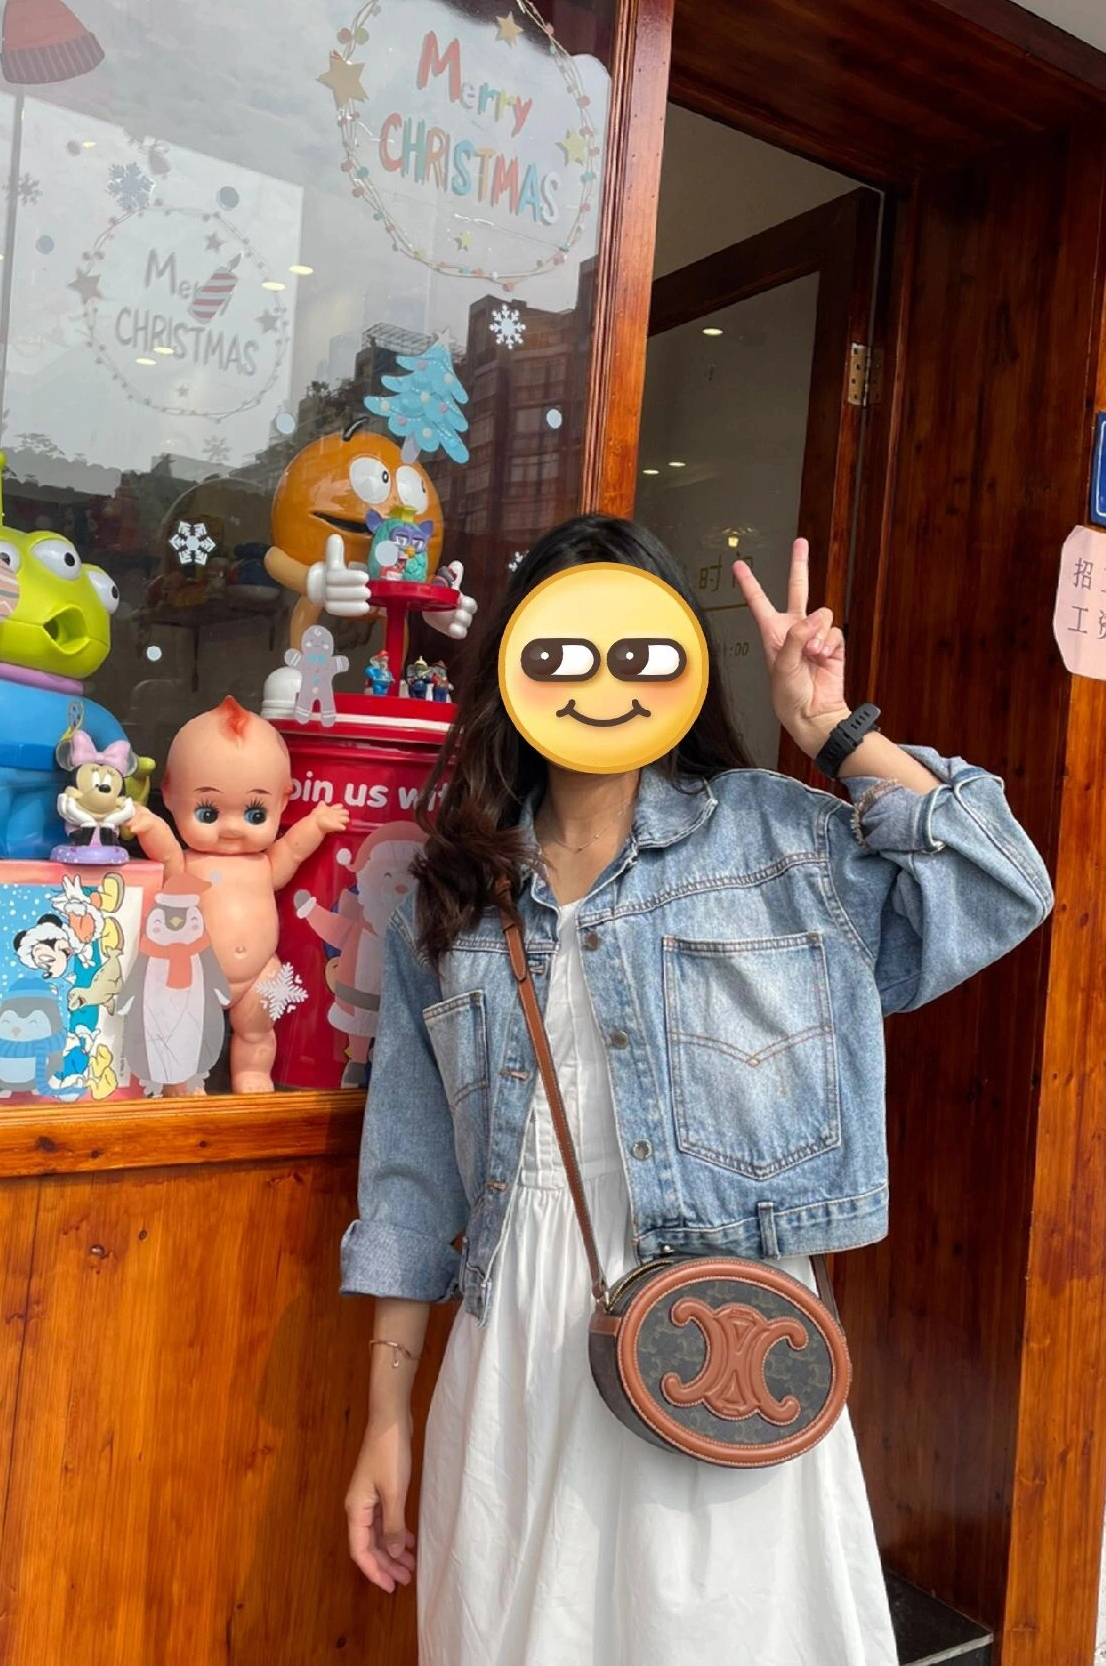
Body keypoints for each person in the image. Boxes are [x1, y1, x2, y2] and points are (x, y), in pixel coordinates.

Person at [340, 515, 1052, 1666]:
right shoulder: (454, 890)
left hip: (722, 1335)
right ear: (514, 667)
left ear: (679, 661)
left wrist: (832, 731)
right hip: (515, 1329)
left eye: (637, 650)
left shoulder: (777, 840)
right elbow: (412, 1186)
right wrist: (385, 1417)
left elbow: (1000, 880)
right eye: (562, 651)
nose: (600, 682)